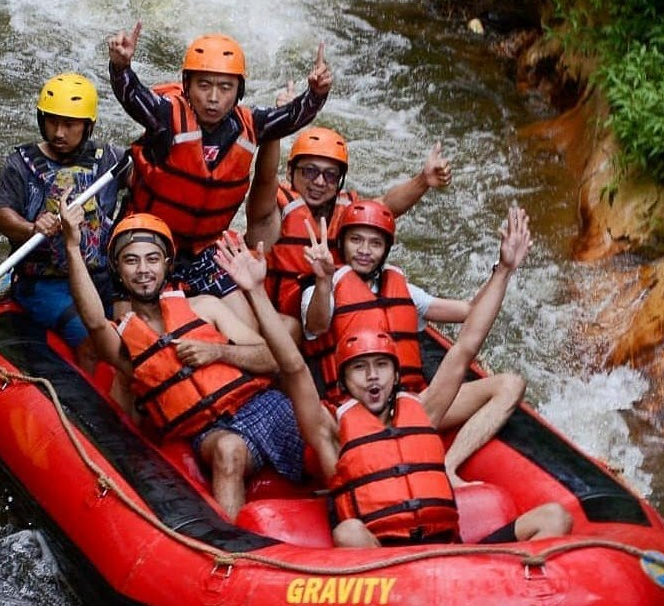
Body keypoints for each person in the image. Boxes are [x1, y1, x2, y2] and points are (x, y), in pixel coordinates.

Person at [213, 231, 572, 548]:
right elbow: (292, 365)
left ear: (395, 374)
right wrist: (256, 291)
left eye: (382, 366)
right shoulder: (331, 431)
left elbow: (466, 346)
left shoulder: (424, 410)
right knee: (349, 533)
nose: (372, 378)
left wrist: (505, 270)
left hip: (449, 554)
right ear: (343, 380)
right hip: (385, 564)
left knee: (554, 517)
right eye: (360, 369)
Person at [60, 203, 325, 521]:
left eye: (152, 259)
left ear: (167, 265)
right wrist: (73, 247)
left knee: (326, 442)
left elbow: (271, 358)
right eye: (131, 261)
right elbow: (93, 321)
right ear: (118, 269)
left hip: (263, 405)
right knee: (229, 452)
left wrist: (218, 352)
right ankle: (230, 554)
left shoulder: (204, 306)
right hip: (209, 431)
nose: (143, 270)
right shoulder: (121, 340)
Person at [106, 21, 333, 328]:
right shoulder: (165, 118)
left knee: (251, 332)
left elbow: (293, 117)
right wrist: (121, 68)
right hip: (146, 245)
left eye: (225, 87)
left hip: (202, 251)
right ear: (187, 85)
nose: (213, 98)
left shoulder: (252, 124)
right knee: (134, 336)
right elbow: (133, 97)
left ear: (238, 91)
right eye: (204, 85)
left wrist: (316, 94)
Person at [301, 199, 529, 486]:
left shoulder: (402, 287)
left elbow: (470, 315)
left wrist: (503, 268)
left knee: (510, 384)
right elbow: (317, 324)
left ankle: (447, 465)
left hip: (415, 405)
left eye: (374, 243)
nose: (364, 250)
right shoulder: (323, 290)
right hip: (353, 410)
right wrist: (323, 281)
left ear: (385, 250)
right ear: (342, 242)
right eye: (356, 240)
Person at [0, 72, 128, 373]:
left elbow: (147, 173)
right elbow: (2, 215)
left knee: (133, 335)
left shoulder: (110, 160)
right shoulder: (21, 164)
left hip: (100, 276)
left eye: (69, 124)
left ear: (87, 126)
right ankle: (89, 408)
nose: (59, 132)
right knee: (92, 338)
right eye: (52, 121)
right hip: (44, 282)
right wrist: (32, 228)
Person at [244, 125, 452, 319]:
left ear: (339, 181)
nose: (319, 182)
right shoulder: (270, 215)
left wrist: (423, 181)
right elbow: (264, 178)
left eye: (331, 175)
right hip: (278, 322)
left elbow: (387, 206)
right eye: (310, 171)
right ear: (290, 171)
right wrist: (278, 125)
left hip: (328, 317)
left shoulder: (344, 211)